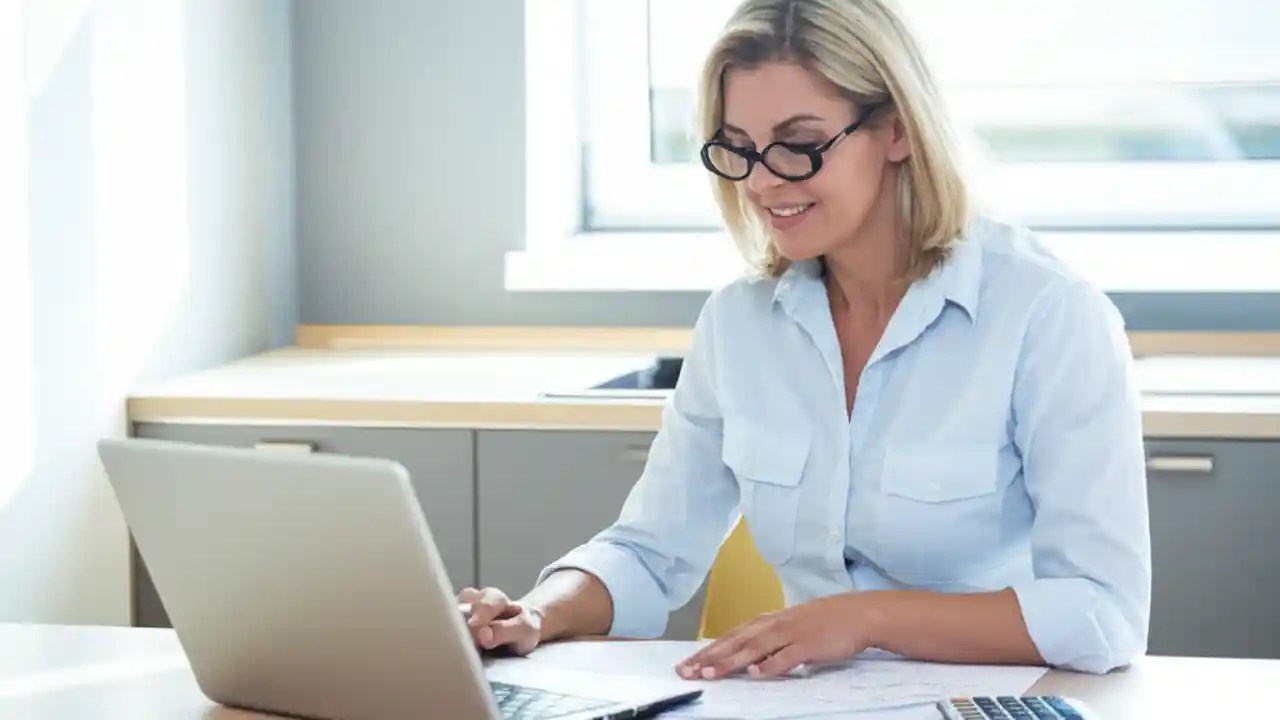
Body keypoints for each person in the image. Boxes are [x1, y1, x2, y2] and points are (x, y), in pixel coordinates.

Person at [459, 0, 1150, 679]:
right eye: (740, 149)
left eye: (797, 145)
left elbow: (1103, 611)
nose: (762, 182)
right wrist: (538, 614)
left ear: (898, 131)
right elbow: (649, 552)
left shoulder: (1047, 315)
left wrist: (867, 617)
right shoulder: (740, 324)